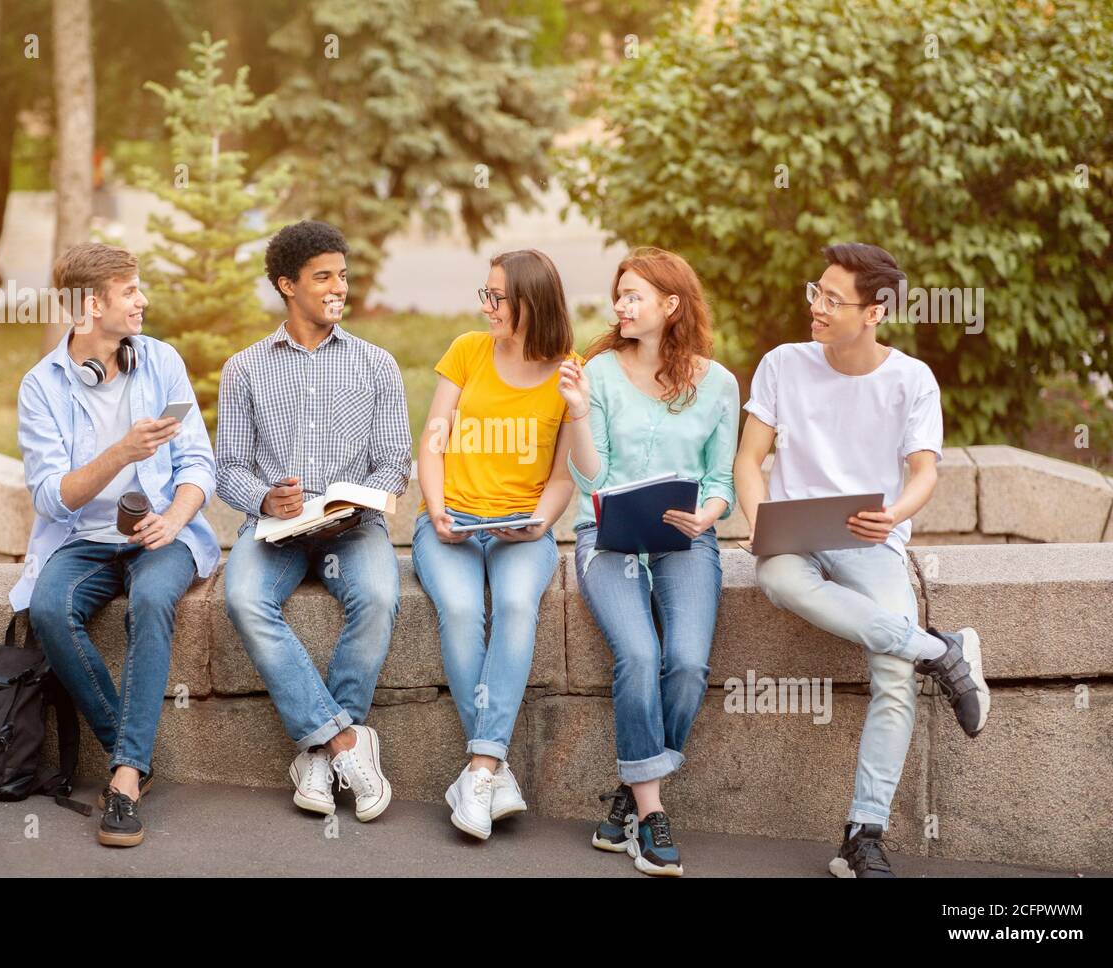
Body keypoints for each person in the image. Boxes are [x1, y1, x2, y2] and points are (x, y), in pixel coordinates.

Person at [734, 242, 991, 878]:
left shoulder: (911, 380)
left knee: (893, 671)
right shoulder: (782, 365)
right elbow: (747, 460)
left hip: (871, 539)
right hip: (794, 535)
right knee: (778, 579)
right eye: (815, 292)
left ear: (875, 312)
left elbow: (924, 473)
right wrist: (760, 521)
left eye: (832, 299)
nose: (816, 307)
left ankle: (863, 832)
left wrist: (895, 514)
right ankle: (941, 649)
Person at [15, 242, 221, 847]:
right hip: (83, 538)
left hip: (162, 534)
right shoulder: (41, 387)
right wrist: (122, 453)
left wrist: (176, 519)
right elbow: (53, 498)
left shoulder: (161, 362)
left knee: (152, 602)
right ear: (89, 306)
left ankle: (126, 778)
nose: (143, 299)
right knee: (50, 607)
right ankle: (128, 746)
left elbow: (198, 463)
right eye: (130, 291)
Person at [217, 220, 411, 823]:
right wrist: (264, 498)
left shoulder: (377, 364)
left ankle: (322, 757)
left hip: (352, 528)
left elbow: (395, 459)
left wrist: (360, 503)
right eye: (323, 276)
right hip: (276, 532)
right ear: (287, 285)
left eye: (343, 275)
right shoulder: (244, 369)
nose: (338, 287)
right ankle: (344, 741)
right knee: (245, 598)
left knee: (380, 594)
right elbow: (227, 466)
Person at [560, 247, 739, 876]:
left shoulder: (718, 384)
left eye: (634, 295)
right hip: (607, 538)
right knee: (637, 654)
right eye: (618, 294)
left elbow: (721, 480)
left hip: (686, 539)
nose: (619, 306)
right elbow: (591, 477)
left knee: (687, 663)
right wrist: (579, 411)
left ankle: (628, 797)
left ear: (671, 305)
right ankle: (654, 812)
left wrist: (709, 515)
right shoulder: (599, 373)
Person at [412, 250, 579, 840]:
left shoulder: (567, 372)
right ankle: (492, 766)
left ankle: (480, 768)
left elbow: (566, 476)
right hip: (452, 520)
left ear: (533, 303)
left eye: (497, 297)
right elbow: (432, 442)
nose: (486, 307)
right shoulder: (467, 351)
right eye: (484, 294)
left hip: (522, 528)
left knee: (513, 606)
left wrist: (538, 522)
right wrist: (434, 510)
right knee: (459, 609)